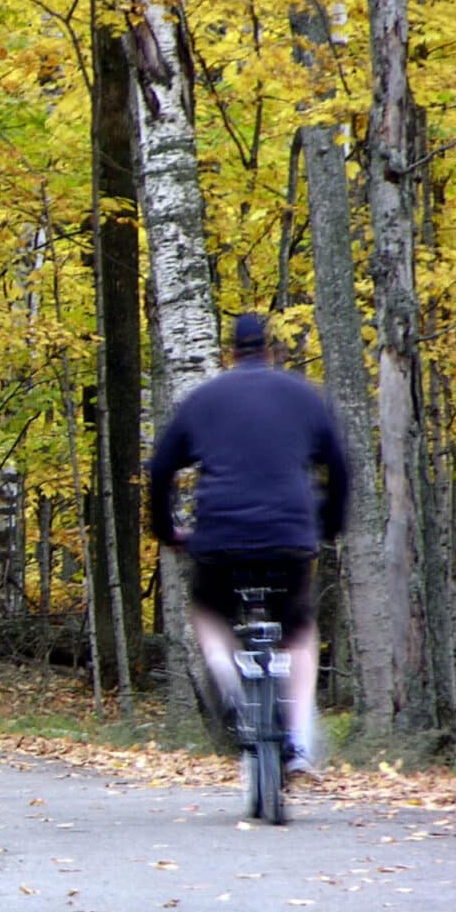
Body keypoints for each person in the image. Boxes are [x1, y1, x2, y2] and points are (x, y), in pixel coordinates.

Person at [147, 312, 349, 775]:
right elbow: (339, 465)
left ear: (231, 352)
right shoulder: (303, 395)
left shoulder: (204, 399)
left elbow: (160, 469)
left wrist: (168, 532)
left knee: (209, 612)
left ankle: (231, 686)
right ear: (271, 350)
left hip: (220, 538)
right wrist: (329, 524)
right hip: (289, 538)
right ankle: (296, 739)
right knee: (297, 631)